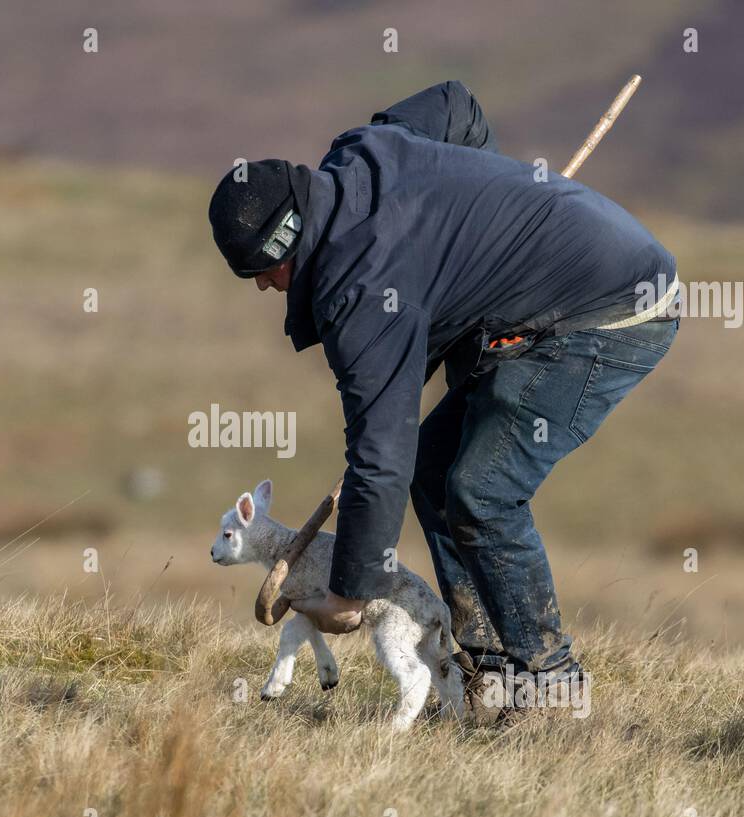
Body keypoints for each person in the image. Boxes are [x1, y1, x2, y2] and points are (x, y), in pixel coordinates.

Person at [207, 79, 678, 690]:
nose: (263, 288)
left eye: (259, 272)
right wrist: (494, 238)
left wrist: (352, 593)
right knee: (436, 467)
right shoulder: (361, 154)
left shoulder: (360, 295)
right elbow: (456, 106)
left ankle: (551, 685)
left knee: (482, 491)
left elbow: (380, 455)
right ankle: (486, 671)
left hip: (618, 308)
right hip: (585, 276)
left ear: (281, 247)